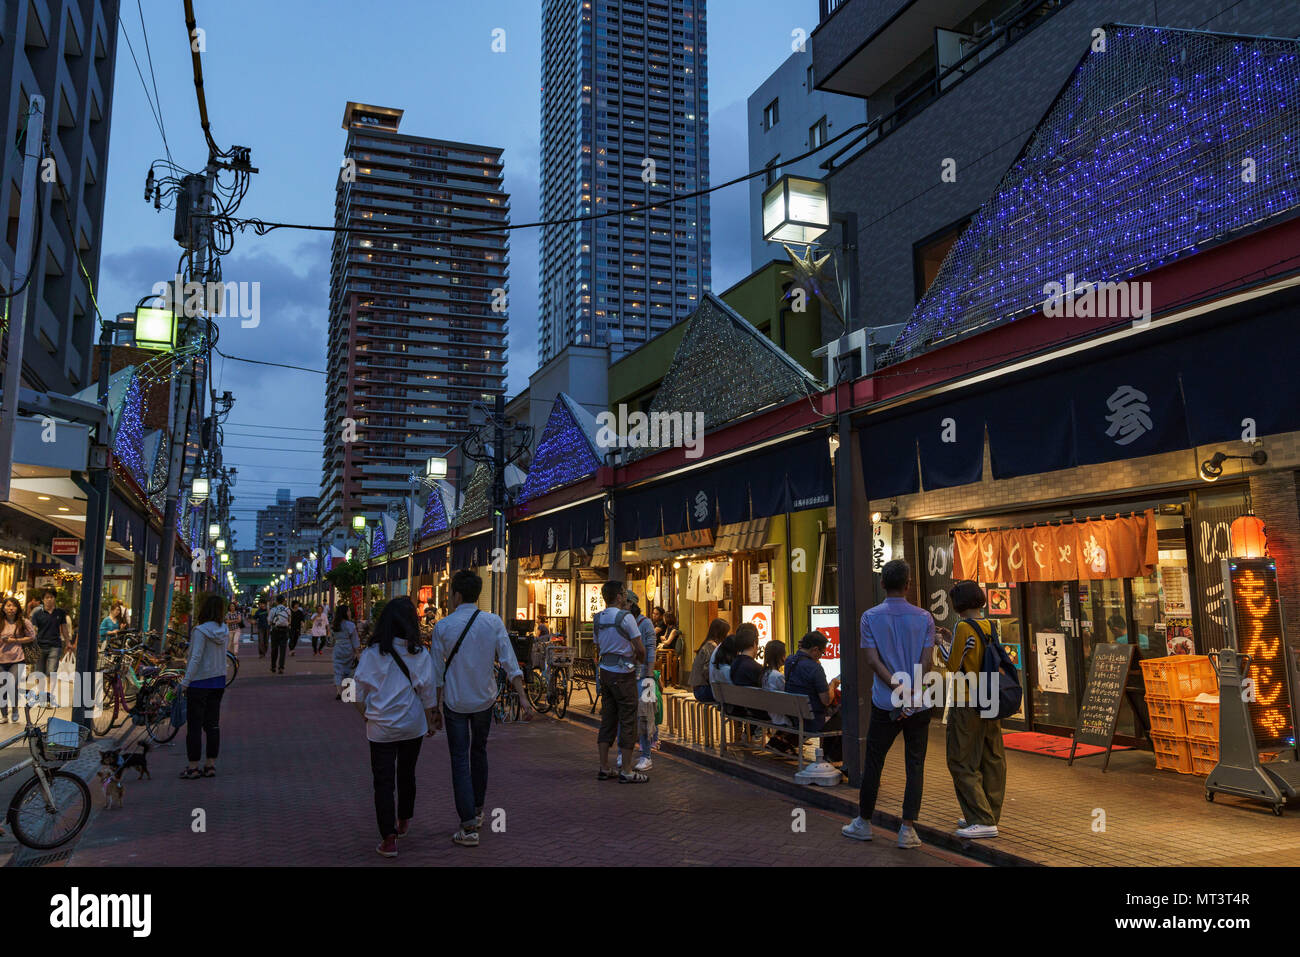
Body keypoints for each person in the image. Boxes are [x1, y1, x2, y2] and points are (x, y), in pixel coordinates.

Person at [431, 569, 535, 847]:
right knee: (479, 752)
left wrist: (434, 707)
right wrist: (523, 698)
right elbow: (510, 662)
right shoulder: (493, 622)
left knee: (460, 760)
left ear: (456, 595)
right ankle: (476, 812)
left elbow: (437, 673)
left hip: (454, 702)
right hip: (484, 701)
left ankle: (468, 826)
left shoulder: (443, 627)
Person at [842, 559, 935, 850]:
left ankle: (864, 822)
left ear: (882, 583)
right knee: (915, 765)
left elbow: (872, 660)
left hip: (885, 703)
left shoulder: (869, 617)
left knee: (874, 762)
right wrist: (913, 689)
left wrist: (896, 687)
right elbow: (927, 661)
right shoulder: (925, 618)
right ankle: (907, 829)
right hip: (919, 703)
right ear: (908, 585)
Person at [354, 597, 439, 859]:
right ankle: (404, 820)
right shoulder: (421, 653)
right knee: (407, 774)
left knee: (383, 782)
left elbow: (356, 695)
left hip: (381, 727)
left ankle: (388, 839)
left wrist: (366, 715)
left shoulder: (372, 653)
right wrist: (431, 720)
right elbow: (428, 693)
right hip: (412, 725)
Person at [938, 579, 1007, 840]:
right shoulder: (989, 624)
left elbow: (953, 664)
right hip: (990, 697)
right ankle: (987, 813)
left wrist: (940, 644)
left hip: (967, 700)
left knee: (961, 759)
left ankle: (981, 817)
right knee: (991, 758)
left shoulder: (963, 626)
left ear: (957, 603)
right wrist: (952, 639)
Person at [592, 579, 647, 783]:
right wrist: (638, 661)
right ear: (618, 596)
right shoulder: (626, 618)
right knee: (628, 720)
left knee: (608, 719)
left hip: (605, 673)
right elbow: (640, 648)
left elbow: (597, 647)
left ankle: (604, 767)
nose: (625, 596)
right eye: (624, 593)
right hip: (624, 674)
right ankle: (626, 770)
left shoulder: (598, 618)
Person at [179, 595, 230, 780]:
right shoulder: (224, 630)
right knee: (213, 725)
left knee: (194, 726)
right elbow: (225, 654)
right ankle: (210, 765)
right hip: (218, 681)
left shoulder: (200, 631)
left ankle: (193, 767)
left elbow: (195, 657)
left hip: (199, 682)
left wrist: (186, 681)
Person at [784, 631, 842, 757]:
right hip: (813, 721)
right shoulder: (815, 669)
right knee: (845, 716)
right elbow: (826, 700)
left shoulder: (789, 661)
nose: (822, 655)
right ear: (815, 649)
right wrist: (832, 684)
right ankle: (832, 758)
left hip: (794, 716)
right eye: (822, 652)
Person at [623, 594, 658, 772]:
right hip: (627, 674)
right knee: (627, 714)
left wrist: (650, 674)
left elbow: (651, 648)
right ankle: (625, 752)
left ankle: (646, 756)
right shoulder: (622, 622)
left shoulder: (645, 623)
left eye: (626, 603)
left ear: (632, 604)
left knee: (645, 714)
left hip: (645, 677)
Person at [0, 597, 34, 723]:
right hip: (1, 660)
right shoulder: (0, 622)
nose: (11, 608)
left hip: (17, 659)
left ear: (17, 608)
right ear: (3, 608)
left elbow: (31, 637)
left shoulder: (23, 622)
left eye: (13, 606)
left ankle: (14, 710)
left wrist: (14, 641)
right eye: (8, 605)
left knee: (12, 684)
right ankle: (4, 715)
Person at [30, 589, 71, 687]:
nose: (49, 600)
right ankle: (41, 694)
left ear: (55, 599)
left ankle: (49, 695)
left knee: (52, 671)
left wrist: (68, 642)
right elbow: (33, 630)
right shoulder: (37, 613)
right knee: (39, 672)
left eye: (51, 597)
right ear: (43, 600)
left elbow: (64, 629)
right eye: (47, 597)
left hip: (55, 645)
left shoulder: (60, 612)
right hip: (40, 645)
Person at [688, 618, 728, 702]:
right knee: (731, 695)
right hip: (703, 690)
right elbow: (707, 672)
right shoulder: (711, 646)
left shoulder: (707, 644)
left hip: (699, 688)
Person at [332, 603, 360, 700]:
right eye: (348, 611)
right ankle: (348, 694)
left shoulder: (335, 624)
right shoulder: (350, 625)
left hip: (338, 647)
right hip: (348, 648)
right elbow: (355, 639)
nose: (350, 612)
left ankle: (339, 692)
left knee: (338, 671)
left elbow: (332, 639)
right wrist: (357, 652)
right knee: (349, 670)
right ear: (345, 613)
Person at [267, 595, 291, 673]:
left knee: (274, 649)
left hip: (275, 630)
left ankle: (273, 666)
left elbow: (269, 621)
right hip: (285, 630)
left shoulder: (273, 609)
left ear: (276, 601)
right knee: (283, 650)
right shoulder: (287, 610)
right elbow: (290, 620)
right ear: (284, 601)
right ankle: (281, 667)